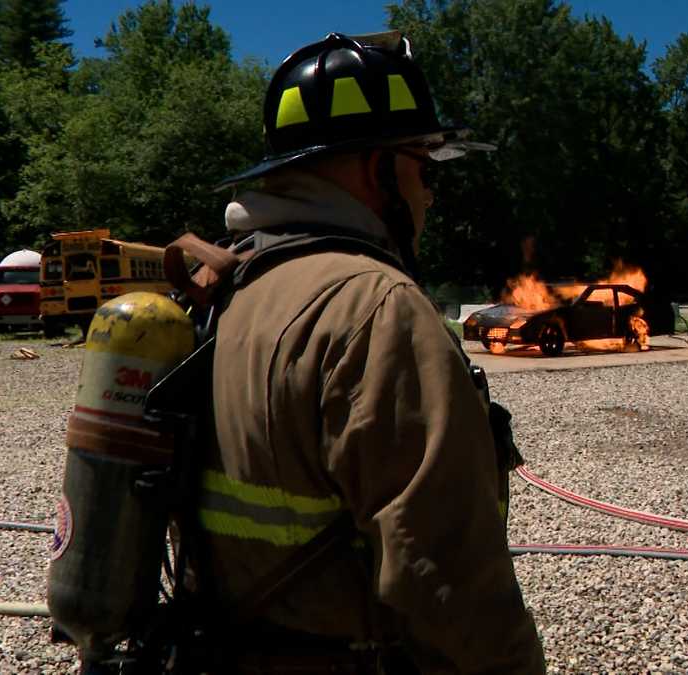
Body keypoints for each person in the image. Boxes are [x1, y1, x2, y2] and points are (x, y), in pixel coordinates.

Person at [186, 31, 545, 673]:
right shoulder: (376, 306)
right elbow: (449, 589)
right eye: (422, 166)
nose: (429, 193)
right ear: (374, 167)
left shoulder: (227, 284)